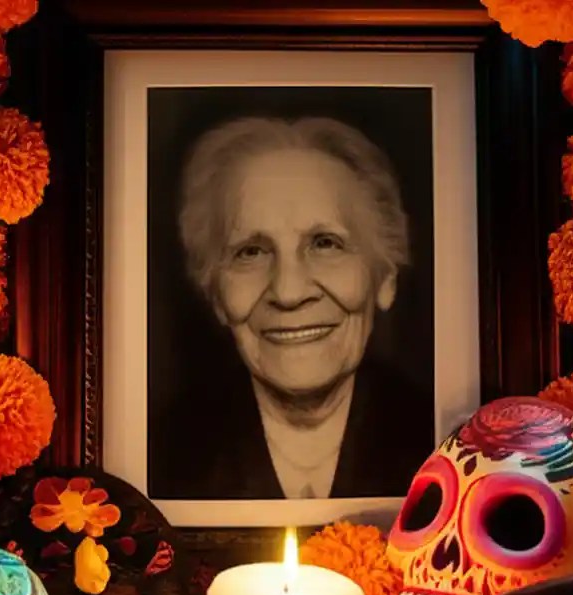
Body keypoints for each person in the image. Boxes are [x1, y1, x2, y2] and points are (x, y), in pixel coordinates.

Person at [149, 115, 434, 501]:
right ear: (215, 294)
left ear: (384, 276)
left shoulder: (441, 445)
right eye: (250, 252)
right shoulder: (159, 458)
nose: (288, 292)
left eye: (325, 243)